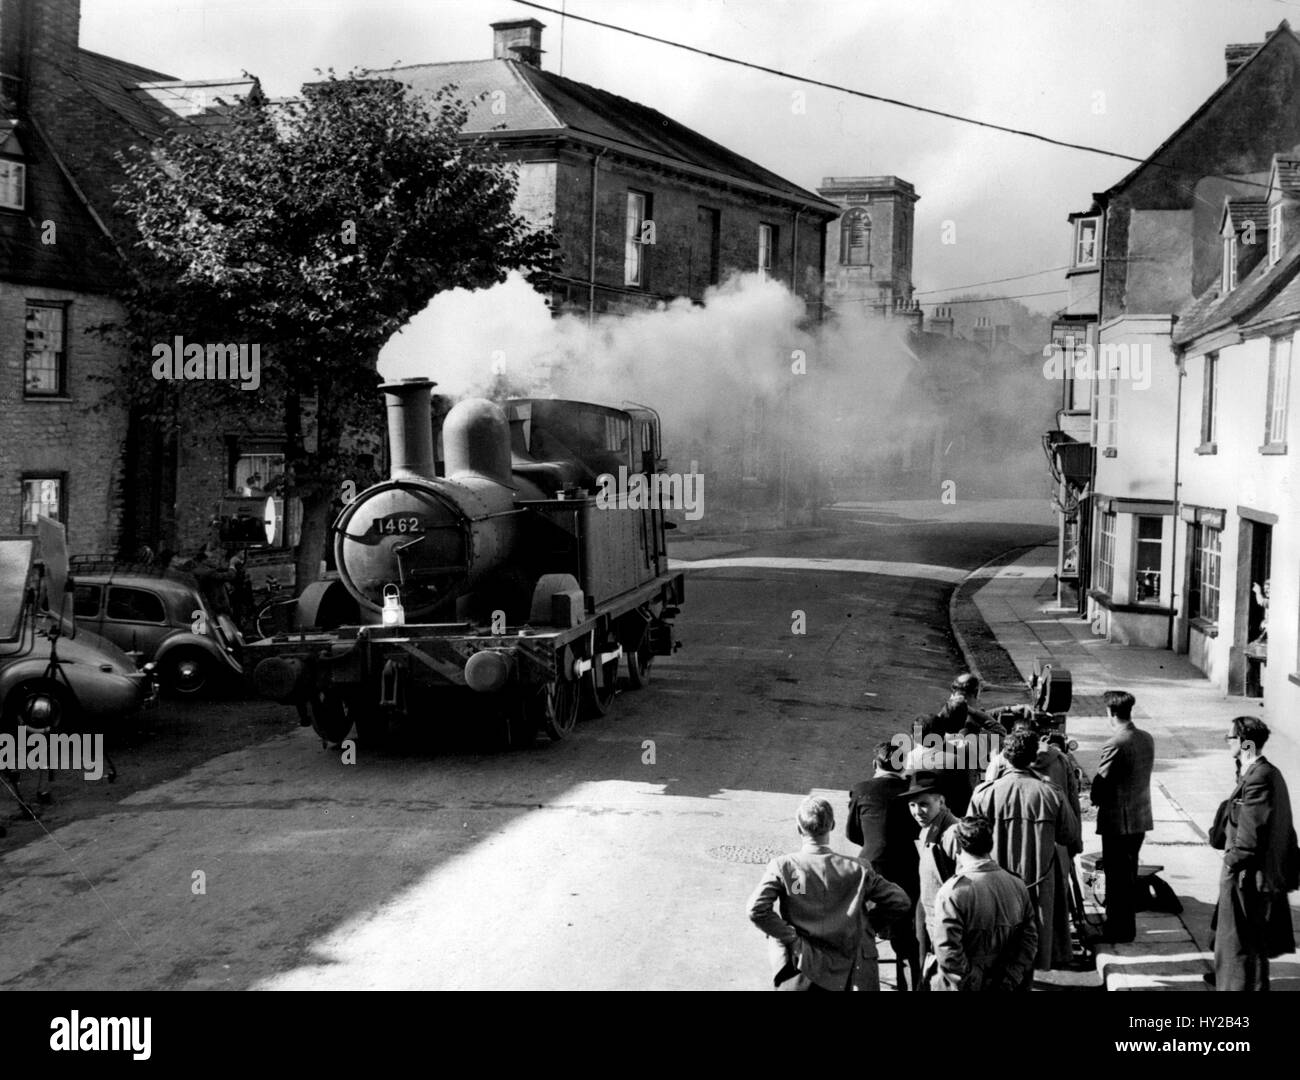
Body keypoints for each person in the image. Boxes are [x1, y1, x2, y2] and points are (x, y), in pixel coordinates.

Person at [748, 795, 911, 991]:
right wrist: (867, 925)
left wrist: (788, 935)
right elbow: (899, 901)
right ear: (832, 825)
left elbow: (757, 910)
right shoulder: (856, 869)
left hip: (803, 966)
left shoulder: (792, 869)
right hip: (850, 970)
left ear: (799, 828)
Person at [969, 729, 1080, 969]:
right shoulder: (1052, 794)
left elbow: (968, 840)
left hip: (996, 879)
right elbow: (1069, 834)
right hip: (1040, 876)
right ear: (1032, 758)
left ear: (1005, 758)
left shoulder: (984, 794)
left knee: (1000, 943)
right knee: (1036, 939)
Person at [1209, 716, 1296, 990]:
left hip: (1247, 875)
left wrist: (1230, 862)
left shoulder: (1258, 778)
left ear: (1245, 742)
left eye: (1230, 738)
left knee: (1239, 945)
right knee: (1251, 943)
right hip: (1253, 874)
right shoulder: (1255, 771)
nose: (1227, 742)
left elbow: (1249, 837)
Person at [930, 815, 1039, 991]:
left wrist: (972, 980)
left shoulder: (952, 892)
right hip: (1007, 982)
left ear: (958, 846)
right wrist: (1011, 976)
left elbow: (948, 951)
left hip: (966, 984)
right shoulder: (1017, 884)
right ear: (990, 845)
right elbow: (1029, 940)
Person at [847, 740, 921, 989]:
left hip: (871, 865)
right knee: (908, 933)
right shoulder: (911, 790)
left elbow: (853, 833)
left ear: (875, 764)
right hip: (906, 867)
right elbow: (915, 829)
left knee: (863, 921)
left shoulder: (861, 789)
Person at [1088, 690, 1154, 943]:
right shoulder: (1146, 738)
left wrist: (1095, 797)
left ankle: (1118, 930)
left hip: (1118, 823)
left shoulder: (1115, 743)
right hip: (1139, 819)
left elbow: (1100, 784)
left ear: (1111, 713)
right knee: (1127, 876)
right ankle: (1124, 927)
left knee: (1116, 880)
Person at [901, 771, 961, 989]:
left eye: (923, 804)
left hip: (945, 922)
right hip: (927, 912)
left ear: (941, 801)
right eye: (912, 805)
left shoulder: (952, 833)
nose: (917, 812)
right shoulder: (929, 829)